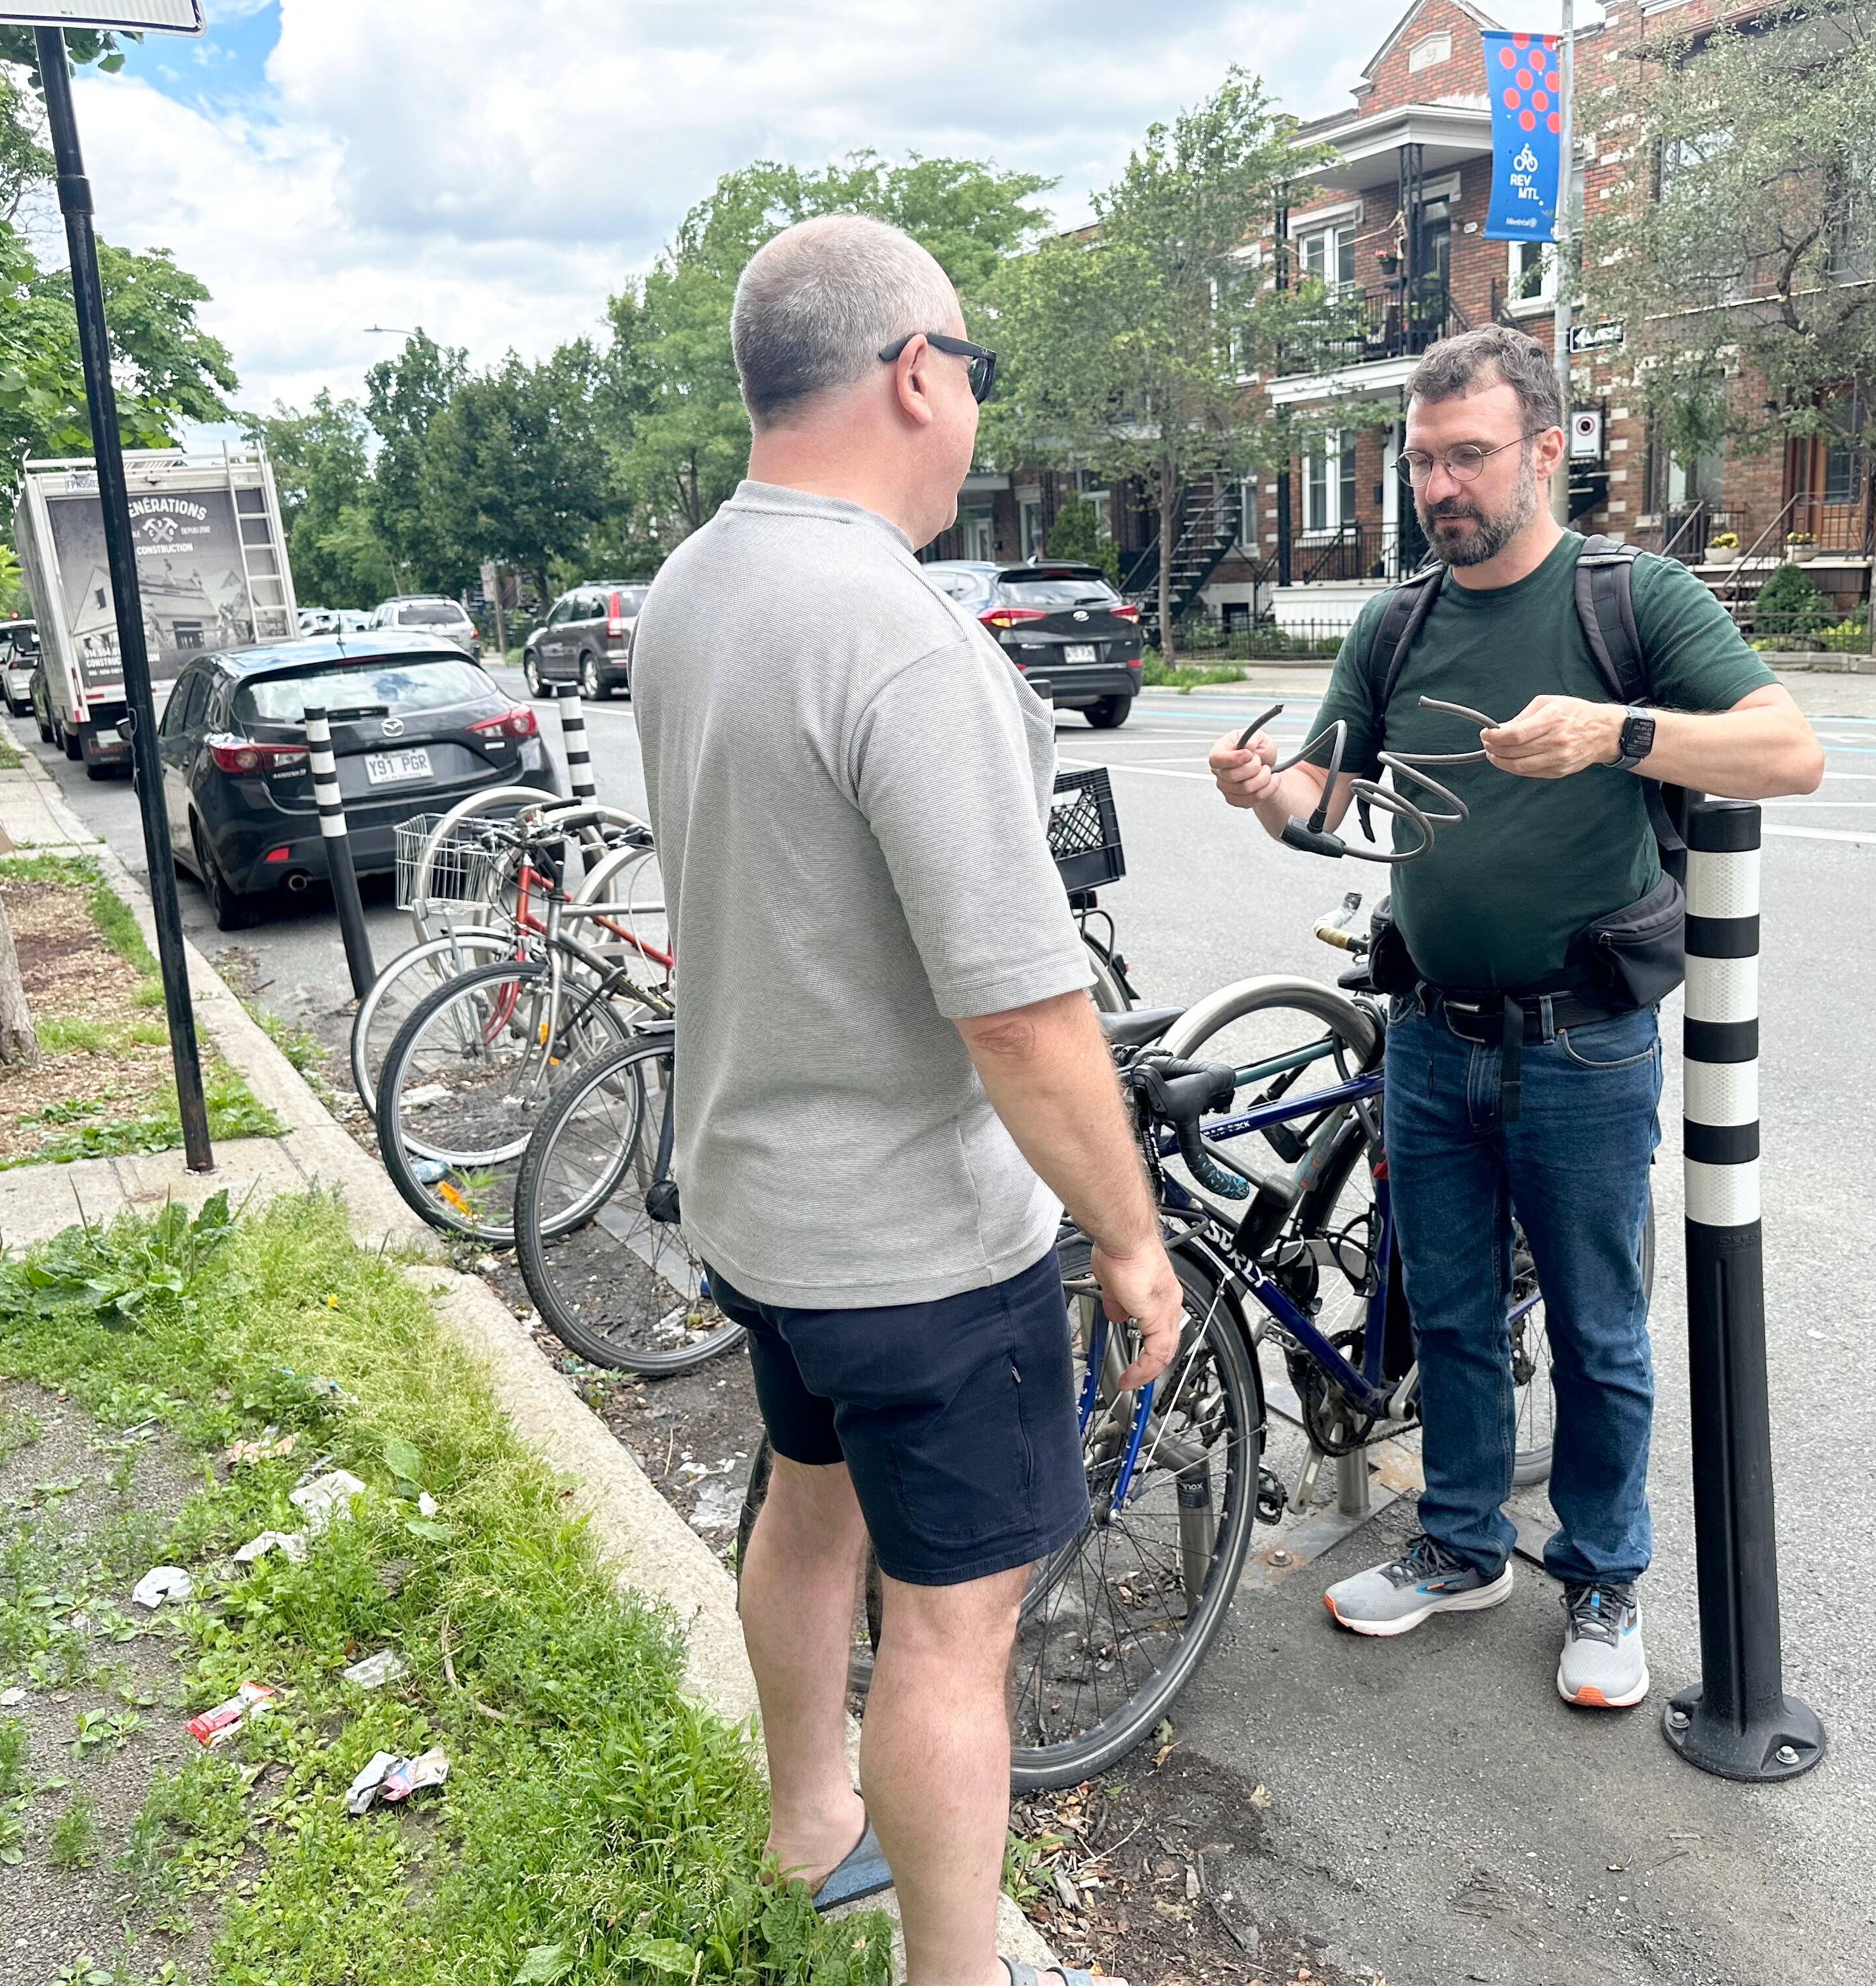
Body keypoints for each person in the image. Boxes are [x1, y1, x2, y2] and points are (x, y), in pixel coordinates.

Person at [633, 213, 1178, 1986]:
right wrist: (1131, 1243)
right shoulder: (896, 637)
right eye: (974, 374)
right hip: (923, 1255)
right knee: (954, 1636)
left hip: (764, 1211)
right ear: (915, 371)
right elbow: (1024, 1018)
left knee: (808, 1510)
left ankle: (810, 1826)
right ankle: (951, 1972)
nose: (973, 413)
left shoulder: (694, 586)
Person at [1207, 324, 1823, 1710]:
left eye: (1468, 455)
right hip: (1431, 1033)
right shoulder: (1396, 622)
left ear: (1547, 451)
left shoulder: (1633, 601)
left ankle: (1601, 1575)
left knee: (1600, 1327)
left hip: (1584, 1040)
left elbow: (1792, 751)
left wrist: (1617, 732)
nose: (1440, 486)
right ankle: (1461, 1543)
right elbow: (1326, 798)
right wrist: (1265, 790)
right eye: (1421, 460)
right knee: (1456, 1314)